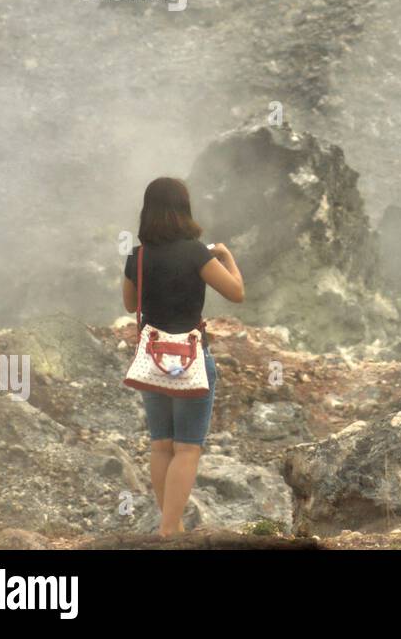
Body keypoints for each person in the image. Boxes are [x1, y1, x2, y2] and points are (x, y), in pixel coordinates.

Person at [122, 176, 244, 537]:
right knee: (188, 448)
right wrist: (228, 258)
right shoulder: (196, 253)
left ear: (148, 211)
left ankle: (170, 526)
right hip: (191, 358)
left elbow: (131, 304)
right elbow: (236, 292)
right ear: (183, 208)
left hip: (153, 358)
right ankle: (168, 529)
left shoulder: (138, 256)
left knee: (161, 445)